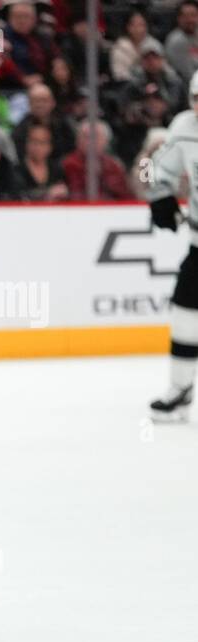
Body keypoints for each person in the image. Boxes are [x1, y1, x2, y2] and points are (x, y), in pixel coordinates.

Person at [145, 71, 198, 422]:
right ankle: (180, 390)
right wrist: (161, 197)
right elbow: (152, 170)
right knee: (184, 316)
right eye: (197, 100)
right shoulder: (184, 127)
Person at [13, 120, 68, 201]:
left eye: (42, 142)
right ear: (26, 143)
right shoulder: (16, 171)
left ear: (50, 146)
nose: (37, 147)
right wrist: (47, 195)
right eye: (33, 141)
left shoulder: (57, 171)